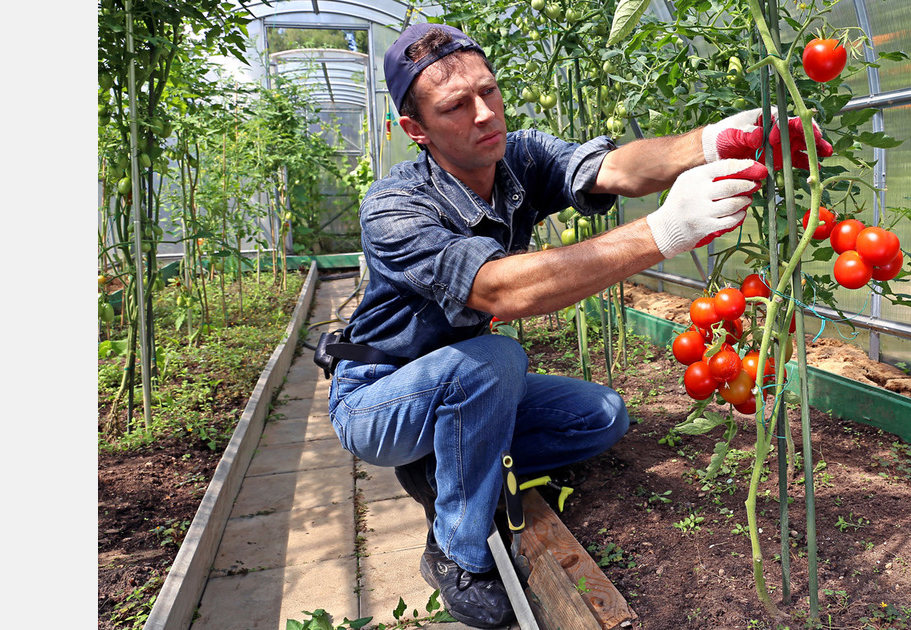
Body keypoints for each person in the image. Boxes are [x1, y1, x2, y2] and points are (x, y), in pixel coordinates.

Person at [326, 22, 817, 628]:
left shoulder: (517, 159)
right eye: (456, 106)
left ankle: (446, 461)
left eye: (490, 91)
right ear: (416, 130)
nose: (485, 114)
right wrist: (660, 233)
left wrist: (714, 141)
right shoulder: (395, 207)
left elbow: (615, 169)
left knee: (601, 416)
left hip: (463, 384)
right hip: (377, 398)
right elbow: (499, 289)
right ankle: (456, 554)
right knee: (497, 359)